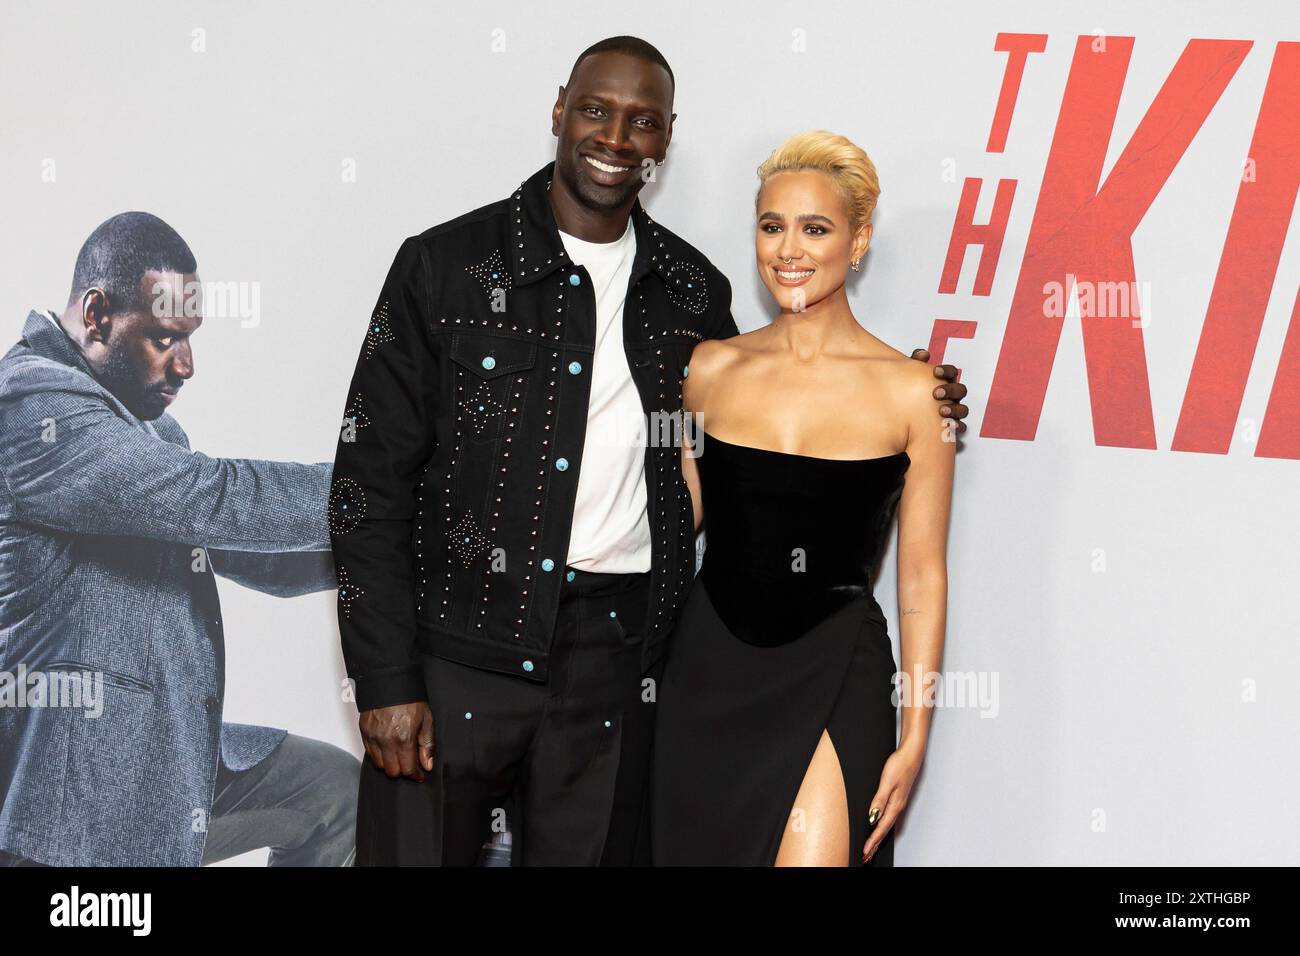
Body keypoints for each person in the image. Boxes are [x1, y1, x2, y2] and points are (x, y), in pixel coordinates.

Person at [331, 38, 967, 866]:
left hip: (614, 670)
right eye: (596, 110)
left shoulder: (692, 294)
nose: (615, 137)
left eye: (643, 121)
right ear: (559, 110)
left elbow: (770, 449)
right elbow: (365, 485)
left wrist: (915, 394)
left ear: (666, 140)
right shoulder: (444, 266)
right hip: (459, 658)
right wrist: (385, 680)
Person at [0, 212, 358, 866]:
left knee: (334, 794)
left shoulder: (148, 431)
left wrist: (395, 547)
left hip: (164, 760)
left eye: (189, 338)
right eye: (165, 338)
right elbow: (215, 496)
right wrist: (387, 489)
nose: (186, 364)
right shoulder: (29, 405)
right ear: (98, 315)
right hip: (67, 798)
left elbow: (247, 549)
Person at [651, 131, 956, 867]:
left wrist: (914, 734)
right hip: (707, 664)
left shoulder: (917, 392)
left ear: (858, 242)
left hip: (833, 666)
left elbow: (920, 578)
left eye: (815, 228)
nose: (789, 248)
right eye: (771, 225)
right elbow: (673, 520)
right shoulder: (707, 370)